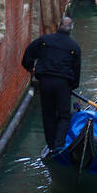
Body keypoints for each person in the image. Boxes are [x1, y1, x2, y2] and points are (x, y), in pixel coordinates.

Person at [22, 17, 81, 152]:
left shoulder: (44, 40)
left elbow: (29, 52)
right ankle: (58, 145)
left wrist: (30, 67)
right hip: (63, 84)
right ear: (71, 29)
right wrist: (72, 87)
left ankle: (51, 144)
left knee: (48, 114)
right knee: (64, 115)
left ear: (58, 25)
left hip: (45, 82)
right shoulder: (75, 47)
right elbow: (76, 71)